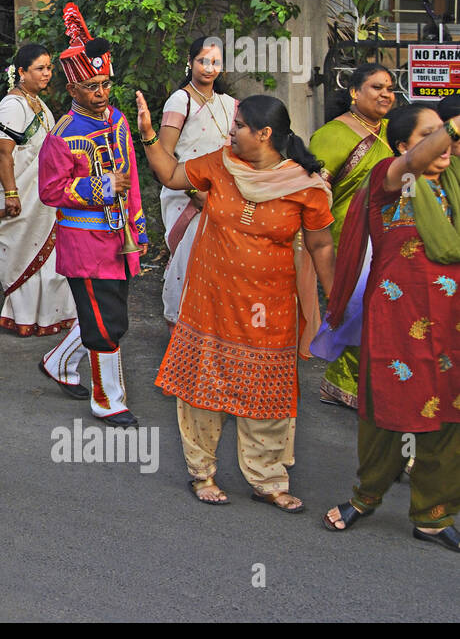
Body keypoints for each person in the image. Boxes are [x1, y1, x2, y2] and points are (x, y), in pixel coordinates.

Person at [137, 92, 335, 510]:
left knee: (269, 394)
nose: (232, 131)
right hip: (211, 302)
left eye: (240, 126)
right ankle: (202, 473)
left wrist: (334, 300)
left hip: (271, 309)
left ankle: (268, 480)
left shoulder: (305, 185)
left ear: (265, 134)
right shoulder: (221, 162)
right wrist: (150, 136)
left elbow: (320, 247)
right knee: (201, 389)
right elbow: (172, 175)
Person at [323, 104, 460, 550]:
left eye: (445, 135)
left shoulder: (455, 182)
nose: (444, 144)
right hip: (397, 321)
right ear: (404, 146)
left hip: (452, 321)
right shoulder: (392, 178)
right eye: (431, 135)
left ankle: (433, 517)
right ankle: (365, 497)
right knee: (387, 410)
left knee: (448, 415)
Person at [37, 3, 148, 428]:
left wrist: (138, 222)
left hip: (119, 238)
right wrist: (98, 188)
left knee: (104, 312)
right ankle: (108, 400)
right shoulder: (61, 137)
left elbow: (132, 178)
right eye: (90, 86)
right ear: (73, 91)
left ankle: (58, 361)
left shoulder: (118, 120)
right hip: (84, 244)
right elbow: (50, 192)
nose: (101, 93)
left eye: (104, 84)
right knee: (107, 323)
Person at [308, 62, 397, 409]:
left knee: (383, 306)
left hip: (387, 232)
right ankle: (344, 381)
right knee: (356, 305)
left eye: (389, 88)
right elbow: (314, 188)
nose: (385, 94)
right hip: (349, 234)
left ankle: (363, 381)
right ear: (355, 93)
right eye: (376, 87)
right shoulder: (334, 134)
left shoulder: (393, 131)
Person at [0, 43, 76, 338]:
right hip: (24, 192)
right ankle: (25, 315)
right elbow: (3, 152)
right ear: (21, 72)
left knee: (49, 253)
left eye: (49, 67)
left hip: (43, 195)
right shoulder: (14, 105)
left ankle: (49, 315)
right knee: (27, 251)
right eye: (40, 68)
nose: (47, 73)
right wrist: (11, 193)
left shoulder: (36, 102)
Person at [158, 36, 237, 325]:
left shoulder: (229, 104)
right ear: (189, 62)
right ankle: (181, 324)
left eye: (215, 61)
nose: (208, 67)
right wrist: (194, 191)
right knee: (186, 260)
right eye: (202, 60)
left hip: (221, 196)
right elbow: (165, 154)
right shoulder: (180, 100)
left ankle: (210, 327)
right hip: (186, 193)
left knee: (219, 264)